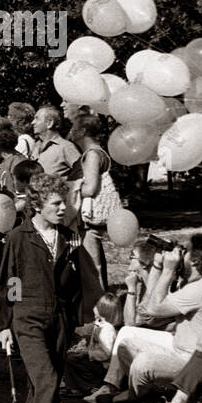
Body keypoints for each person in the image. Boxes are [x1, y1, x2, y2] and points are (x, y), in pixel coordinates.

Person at [0, 173, 83, 403]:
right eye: (55, 203)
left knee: (42, 385)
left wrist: (76, 322)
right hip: (27, 318)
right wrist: (7, 322)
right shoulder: (20, 237)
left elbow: (76, 285)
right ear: (37, 204)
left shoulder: (69, 238)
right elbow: (10, 279)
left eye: (64, 203)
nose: (62, 208)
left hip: (58, 319)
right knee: (47, 380)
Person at [87, 235, 202, 403]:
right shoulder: (190, 283)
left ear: (194, 261)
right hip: (178, 346)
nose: (179, 255)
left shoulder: (201, 287)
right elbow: (147, 311)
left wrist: (168, 270)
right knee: (125, 340)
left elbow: (153, 310)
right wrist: (157, 267)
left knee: (143, 362)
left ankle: (139, 397)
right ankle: (122, 387)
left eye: (185, 252)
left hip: (192, 361)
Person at [67, 112, 119, 296]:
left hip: (90, 219)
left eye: (73, 128)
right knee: (95, 262)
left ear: (82, 131)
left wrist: (70, 187)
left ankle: (101, 308)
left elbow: (90, 188)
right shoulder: (98, 152)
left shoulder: (92, 155)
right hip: (91, 220)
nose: (71, 131)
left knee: (92, 265)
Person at [33, 104, 81, 180]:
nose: (33, 122)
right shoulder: (35, 146)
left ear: (50, 123)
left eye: (37, 119)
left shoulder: (66, 147)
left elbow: (82, 172)